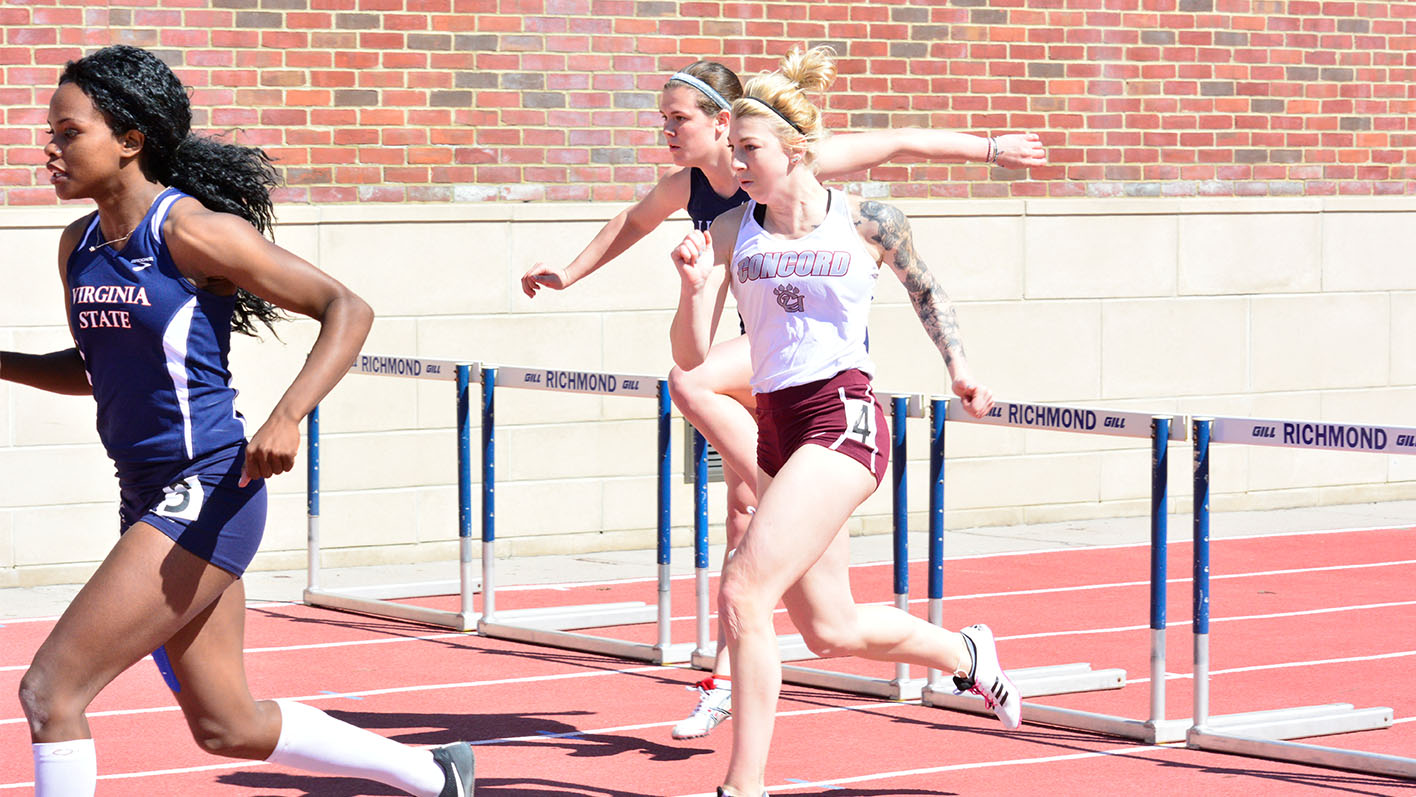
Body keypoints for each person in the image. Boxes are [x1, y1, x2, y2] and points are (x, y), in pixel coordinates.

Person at [521, 60, 1046, 740]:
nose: (667, 133)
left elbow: (899, 142)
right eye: (663, 122)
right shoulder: (689, 187)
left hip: (813, 359)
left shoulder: (797, 156)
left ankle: (736, 704)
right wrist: (568, 272)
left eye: (677, 119)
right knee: (826, 621)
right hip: (767, 360)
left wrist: (991, 148)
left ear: (721, 118)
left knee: (696, 390)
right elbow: (630, 221)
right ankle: (956, 650)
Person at [5, 46, 474, 797]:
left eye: (67, 132)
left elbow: (346, 308)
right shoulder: (80, 247)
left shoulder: (190, 232)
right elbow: (95, 370)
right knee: (229, 727)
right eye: (48, 132)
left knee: (50, 693)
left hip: (211, 487)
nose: (47, 148)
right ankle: (436, 774)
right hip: (147, 495)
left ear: (130, 140)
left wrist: (288, 416)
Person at [668, 46, 1021, 797]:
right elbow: (694, 359)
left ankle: (743, 785)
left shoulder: (864, 219)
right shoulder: (735, 232)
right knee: (830, 630)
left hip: (845, 417)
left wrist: (958, 367)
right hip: (778, 428)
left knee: (743, 592)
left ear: (796, 151)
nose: (737, 164)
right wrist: (692, 290)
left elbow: (929, 292)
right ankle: (966, 653)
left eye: (750, 150)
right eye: (732, 151)